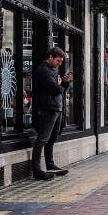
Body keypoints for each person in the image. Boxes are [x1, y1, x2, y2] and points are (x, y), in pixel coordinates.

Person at [31, 47, 72, 180]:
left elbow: (59, 89)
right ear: (50, 57)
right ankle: (37, 171)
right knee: (42, 139)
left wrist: (63, 83)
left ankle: (50, 164)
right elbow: (55, 90)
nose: (59, 64)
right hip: (48, 109)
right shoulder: (43, 71)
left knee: (52, 138)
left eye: (61, 61)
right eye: (58, 61)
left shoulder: (52, 71)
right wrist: (60, 85)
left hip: (56, 108)